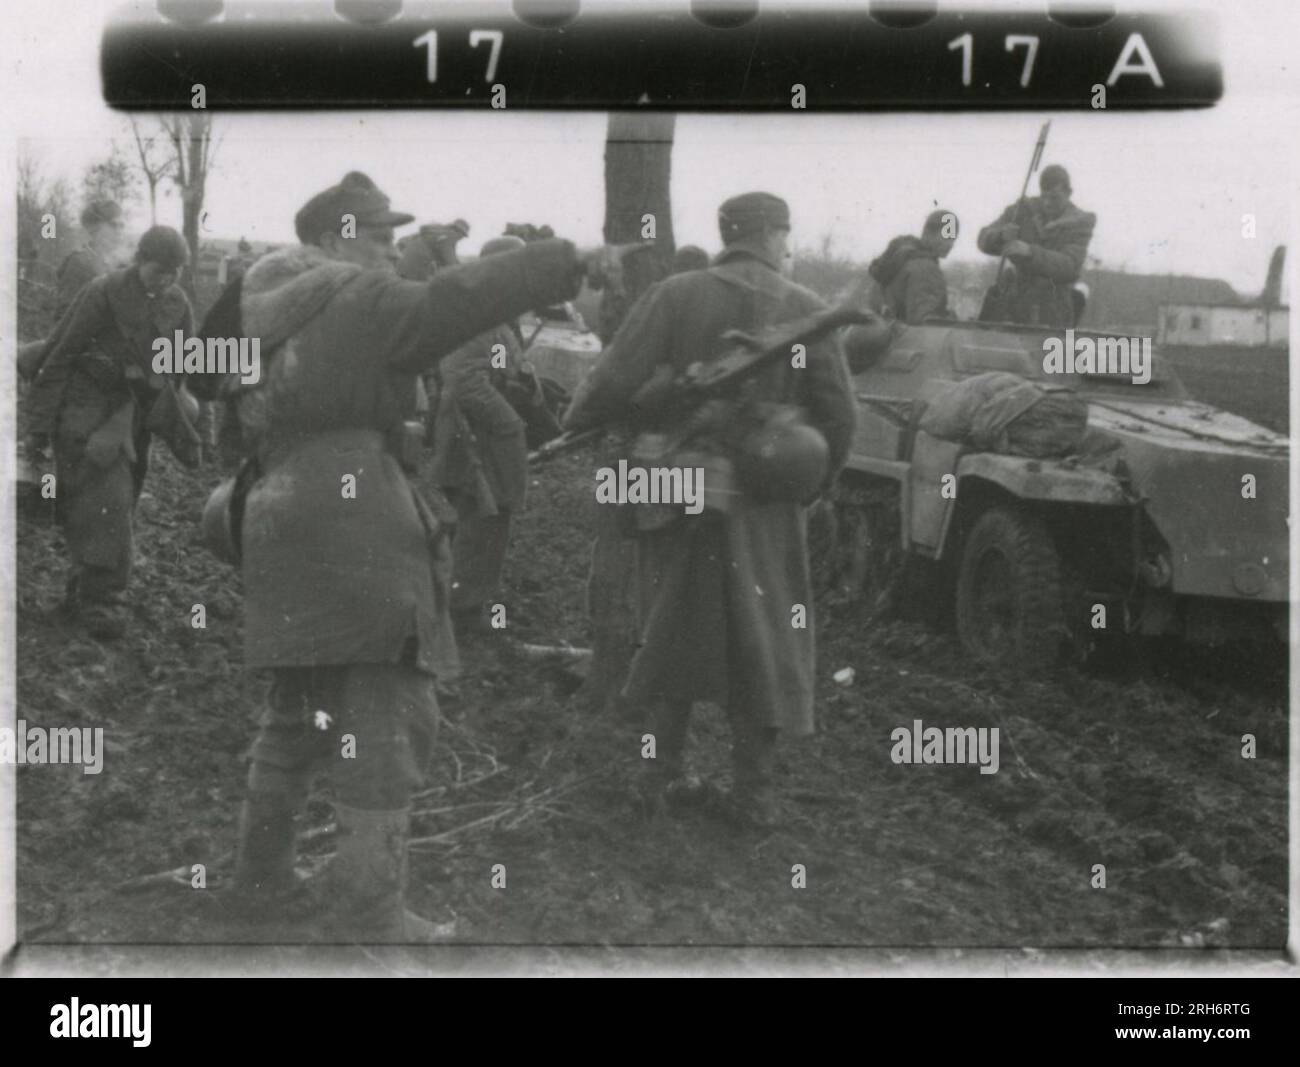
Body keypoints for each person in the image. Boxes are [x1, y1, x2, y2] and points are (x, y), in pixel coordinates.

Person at [226, 171, 596, 941]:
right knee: (387, 711)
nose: (394, 254)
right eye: (384, 237)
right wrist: (563, 262)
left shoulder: (252, 306)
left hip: (277, 511)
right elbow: (446, 304)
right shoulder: (349, 296)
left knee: (298, 704)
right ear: (336, 238)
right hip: (358, 517)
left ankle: (259, 882)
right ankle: (369, 920)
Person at [562, 191, 857, 828]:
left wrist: (576, 421)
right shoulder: (809, 309)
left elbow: (612, 380)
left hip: (672, 485)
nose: (786, 246)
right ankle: (755, 795)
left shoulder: (676, 294)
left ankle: (656, 774)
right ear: (774, 235)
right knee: (766, 638)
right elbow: (840, 414)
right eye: (785, 234)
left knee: (667, 625)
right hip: (767, 497)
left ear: (727, 236)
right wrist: (812, 487)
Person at [24, 226, 195, 639]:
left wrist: (183, 411)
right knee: (108, 494)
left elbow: (185, 361)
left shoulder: (177, 304)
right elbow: (61, 353)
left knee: (124, 497)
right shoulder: (103, 292)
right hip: (88, 403)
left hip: (134, 411)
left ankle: (85, 587)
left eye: (174, 272)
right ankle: (102, 599)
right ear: (139, 259)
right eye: (159, 270)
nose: (166, 279)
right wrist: (39, 427)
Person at [421, 234, 532, 636]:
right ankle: (461, 612)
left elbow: (489, 368)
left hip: (480, 433)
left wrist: (519, 386)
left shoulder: (492, 312)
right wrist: (510, 424)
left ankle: (453, 602)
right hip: (476, 436)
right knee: (484, 521)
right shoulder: (479, 314)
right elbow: (464, 379)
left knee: (480, 521)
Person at [17, 200, 126, 382]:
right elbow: (65, 317)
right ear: (94, 228)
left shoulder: (113, 265)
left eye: (122, 225)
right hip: (82, 356)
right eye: (114, 225)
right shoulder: (80, 263)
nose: (120, 231)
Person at [977, 163, 1096, 327]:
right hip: (1011, 304)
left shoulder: (1081, 223)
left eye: (1054, 198)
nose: (1047, 203)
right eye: (1043, 196)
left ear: (1068, 194)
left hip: (1053, 311)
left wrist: (1030, 253)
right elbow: (983, 239)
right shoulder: (1023, 210)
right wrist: (1001, 236)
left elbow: (1069, 266)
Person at [867, 209, 958, 324]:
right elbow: (926, 322)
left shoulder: (895, 262)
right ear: (929, 235)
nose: (951, 245)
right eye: (947, 238)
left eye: (953, 239)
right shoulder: (925, 268)